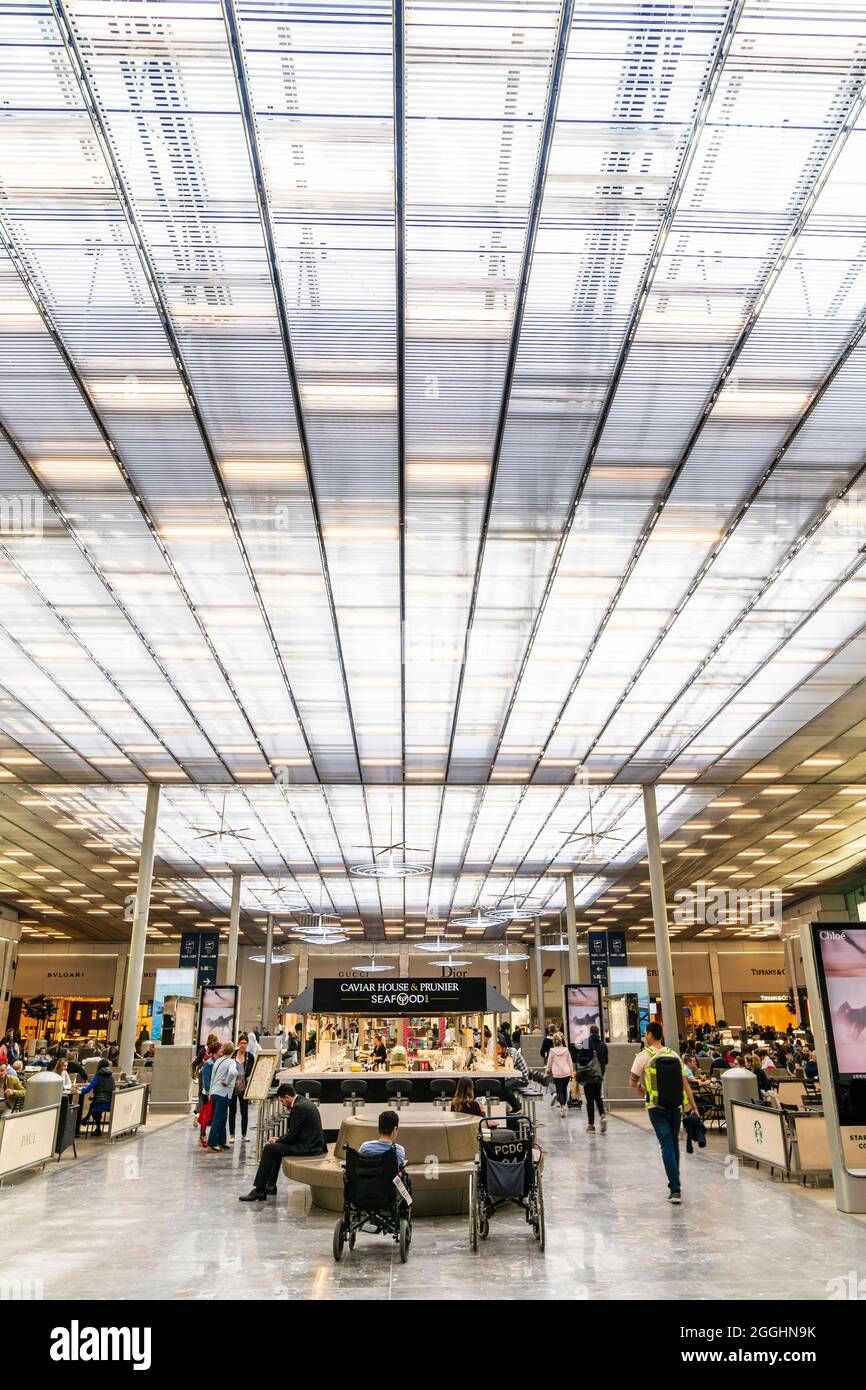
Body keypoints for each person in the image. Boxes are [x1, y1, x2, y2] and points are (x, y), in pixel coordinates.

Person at [629, 1021, 697, 1205]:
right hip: (676, 1106)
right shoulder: (673, 1054)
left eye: (646, 1034)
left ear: (650, 1035)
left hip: (655, 1107)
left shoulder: (643, 1056)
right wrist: (694, 1106)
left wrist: (642, 1087)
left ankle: (675, 1189)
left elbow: (632, 1082)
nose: (645, 1036)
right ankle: (676, 1182)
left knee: (666, 1144)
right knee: (673, 1143)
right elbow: (685, 1083)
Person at [239, 1082, 326, 1201]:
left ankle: (259, 1190)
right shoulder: (302, 1101)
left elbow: (292, 1136)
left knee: (269, 1149)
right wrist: (278, 1140)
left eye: (282, 1101)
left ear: (287, 1097)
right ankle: (270, 1186)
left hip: (309, 1148)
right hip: (311, 1144)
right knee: (276, 1149)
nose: (283, 1104)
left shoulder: (298, 1107)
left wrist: (277, 1141)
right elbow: (294, 1134)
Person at [359, 1109, 412, 1196]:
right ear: (395, 1129)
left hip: (366, 1191)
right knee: (406, 1177)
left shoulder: (365, 1147)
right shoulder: (399, 1151)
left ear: (379, 1128)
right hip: (388, 1194)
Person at [206, 1042, 238, 1154]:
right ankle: (212, 1144)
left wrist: (210, 1092)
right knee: (218, 1119)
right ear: (233, 1051)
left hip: (215, 1092)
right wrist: (227, 1082)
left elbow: (212, 1078)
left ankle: (222, 1141)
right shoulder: (231, 1062)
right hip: (223, 1094)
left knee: (223, 1117)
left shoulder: (218, 1061)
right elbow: (234, 1072)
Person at [581, 1023, 609, 1134]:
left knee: (590, 1100)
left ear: (590, 1032)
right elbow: (606, 1061)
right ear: (598, 1032)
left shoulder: (586, 1042)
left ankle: (591, 1125)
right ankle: (602, 1114)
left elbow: (580, 1059)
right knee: (598, 1097)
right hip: (599, 1075)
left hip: (588, 1075)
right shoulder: (603, 1045)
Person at [80, 1059, 115, 1135]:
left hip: (101, 1103)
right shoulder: (111, 1077)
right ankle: (91, 1124)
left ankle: (92, 1124)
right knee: (94, 1105)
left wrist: (81, 1090)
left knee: (94, 1107)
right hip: (110, 1103)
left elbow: (88, 1089)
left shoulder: (98, 1076)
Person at [229, 1037, 253, 1142]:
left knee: (244, 1112)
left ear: (247, 1044)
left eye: (245, 1043)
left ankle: (244, 1134)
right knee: (232, 1111)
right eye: (241, 1043)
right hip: (232, 1086)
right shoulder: (232, 1055)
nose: (243, 1045)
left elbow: (252, 1071)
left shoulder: (250, 1056)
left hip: (244, 1086)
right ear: (238, 1043)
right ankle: (232, 1134)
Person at [497, 1039, 530, 1115]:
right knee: (501, 1085)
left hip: (522, 1078)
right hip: (514, 1077)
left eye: (498, 1049)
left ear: (504, 1048)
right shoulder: (504, 1054)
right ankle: (510, 1107)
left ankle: (517, 1107)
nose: (497, 1051)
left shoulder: (512, 1051)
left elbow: (511, 1063)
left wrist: (497, 1059)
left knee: (504, 1087)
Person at [545, 1032, 574, 1117]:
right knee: (564, 1089)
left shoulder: (552, 1051)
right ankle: (563, 1106)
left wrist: (547, 1071)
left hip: (557, 1073)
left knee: (559, 1090)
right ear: (561, 1041)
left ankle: (562, 1106)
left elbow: (549, 1063)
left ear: (554, 1042)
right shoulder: (566, 1050)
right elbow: (570, 1062)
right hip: (566, 1073)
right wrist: (572, 1073)